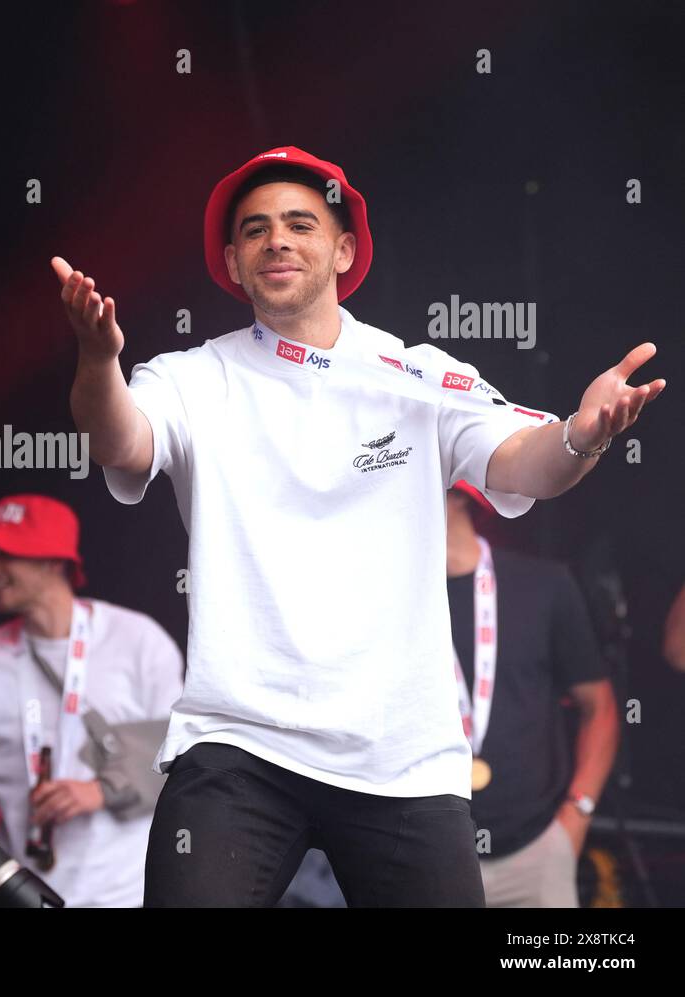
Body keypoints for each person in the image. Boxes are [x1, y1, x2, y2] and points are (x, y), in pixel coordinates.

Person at [52, 145, 666, 907]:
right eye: (254, 230)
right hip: (240, 742)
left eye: (300, 223)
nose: (276, 239)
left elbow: (523, 464)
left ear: (343, 251)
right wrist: (97, 358)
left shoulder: (418, 374)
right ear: (234, 264)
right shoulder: (188, 376)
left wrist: (582, 432)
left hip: (401, 755)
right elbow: (120, 440)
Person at [0, 494, 184, 907]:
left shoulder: (138, 640)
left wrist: (102, 790)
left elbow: (189, 757)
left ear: (52, 561)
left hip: (126, 894)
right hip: (22, 892)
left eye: (6, 556)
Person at [446, 481, 617, 907]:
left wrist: (575, 816)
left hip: (535, 852)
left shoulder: (544, 584)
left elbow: (601, 708)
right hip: (428, 856)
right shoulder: (390, 599)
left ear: (459, 494)